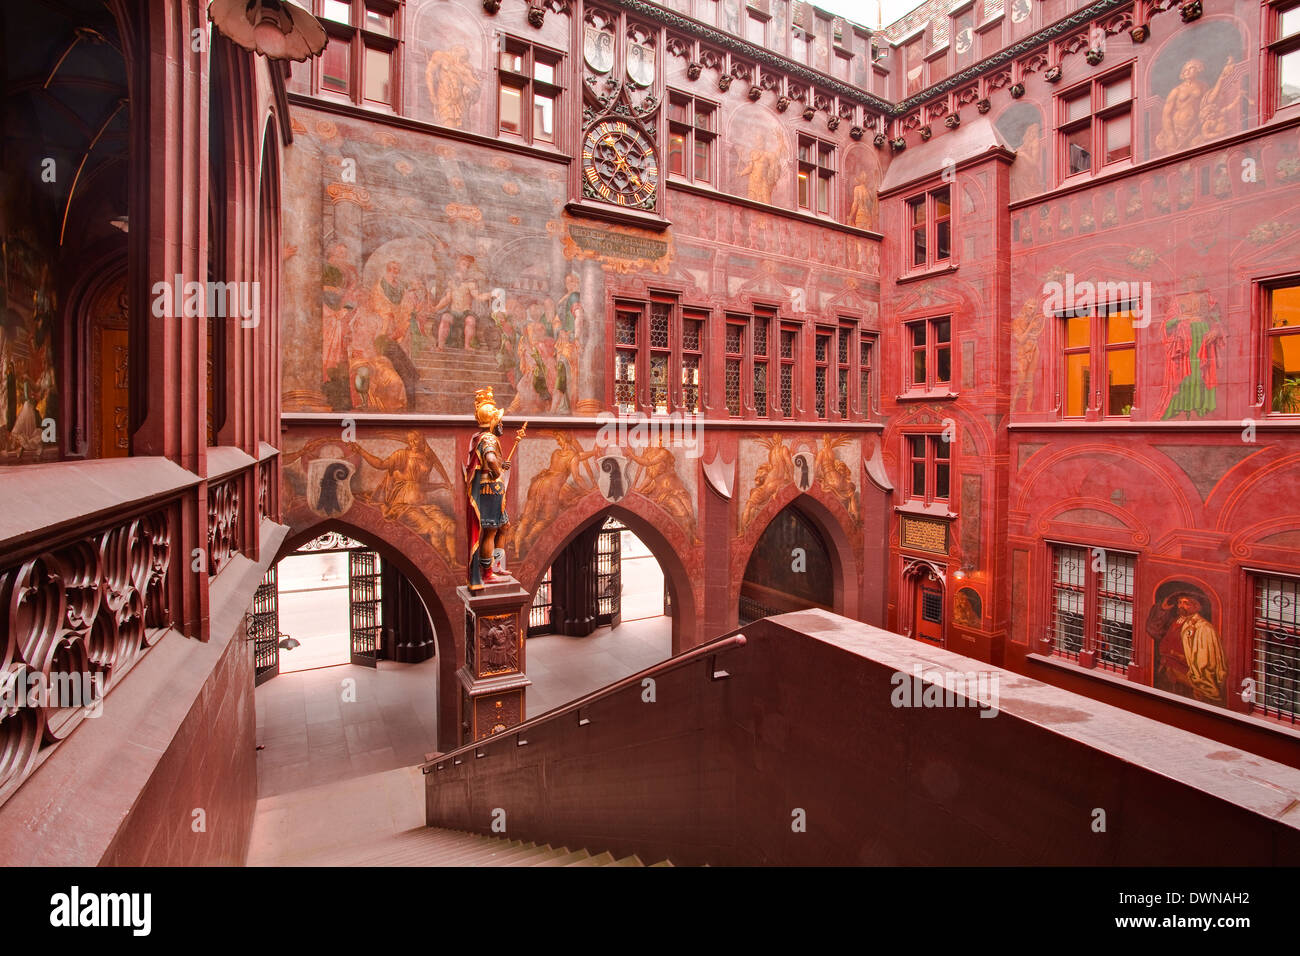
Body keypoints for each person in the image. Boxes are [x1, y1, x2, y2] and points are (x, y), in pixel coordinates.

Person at [465, 388, 515, 590]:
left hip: (492, 489)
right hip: (490, 490)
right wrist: (496, 471)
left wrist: (500, 468)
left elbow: (491, 461)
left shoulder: (481, 437)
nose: (502, 424)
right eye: (499, 420)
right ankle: (487, 573)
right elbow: (490, 459)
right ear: (493, 421)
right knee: (491, 529)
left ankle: (496, 564)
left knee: (503, 526)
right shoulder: (488, 439)